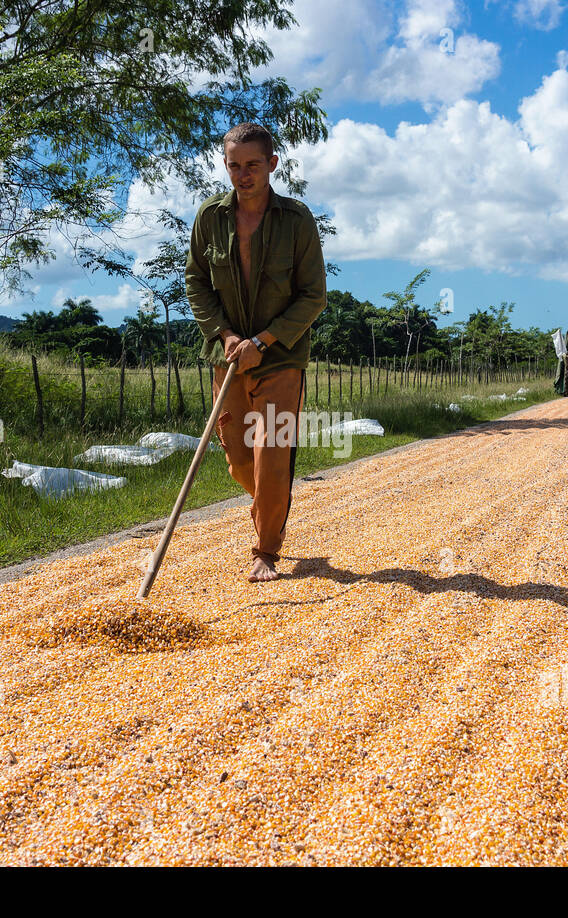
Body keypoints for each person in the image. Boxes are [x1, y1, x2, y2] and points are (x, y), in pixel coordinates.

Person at [185, 122, 327, 581]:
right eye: (234, 166)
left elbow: (313, 296)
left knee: (271, 451)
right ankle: (272, 498)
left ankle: (265, 549)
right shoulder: (210, 218)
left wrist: (263, 341)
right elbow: (197, 284)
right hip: (227, 358)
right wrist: (225, 336)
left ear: (272, 164)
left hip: (281, 357)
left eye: (252, 165)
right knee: (239, 457)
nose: (243, 174)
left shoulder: (297, 219)